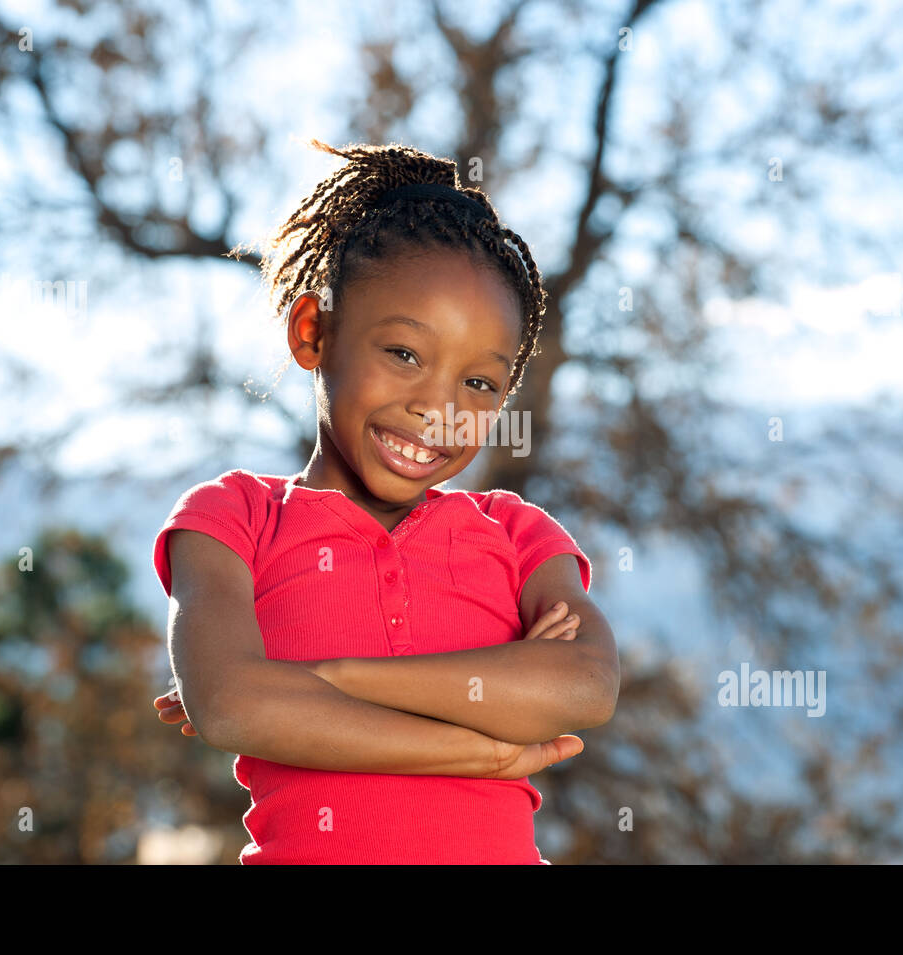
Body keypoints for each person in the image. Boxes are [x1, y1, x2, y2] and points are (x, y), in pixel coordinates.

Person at [149, 140, 620, 864]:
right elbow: (233, 704)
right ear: (314, 332)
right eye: (404, 353)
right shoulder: (231, 519)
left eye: (480, 384)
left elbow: (584, 685)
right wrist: (483, 747)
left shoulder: (516, 532)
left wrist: (323, 679)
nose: (437, 408)